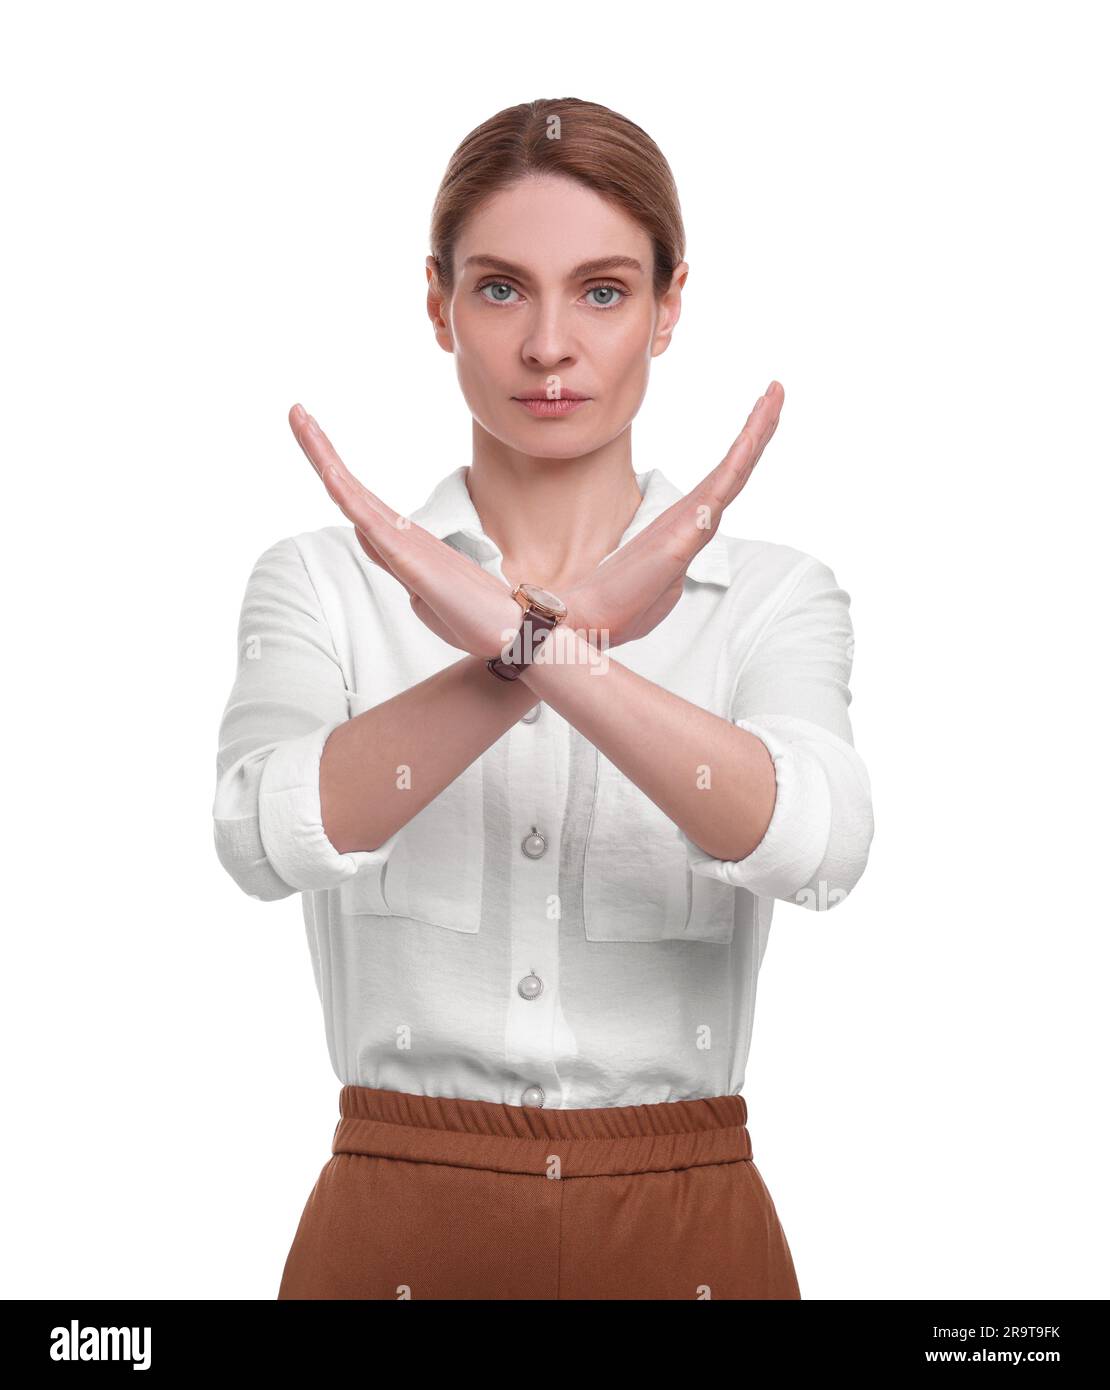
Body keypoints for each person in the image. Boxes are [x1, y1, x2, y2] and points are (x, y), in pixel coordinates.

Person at [212, 97, 875, 1300]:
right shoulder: (322, 579)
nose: (550, 346)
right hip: (396, 1225)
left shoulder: (773, 596)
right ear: (439, 305)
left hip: (688, 1230)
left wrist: (543, 649)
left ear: (671, 307)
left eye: (606, 291)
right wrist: (532, 653)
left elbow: (818, 844)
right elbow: (262, 838)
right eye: (503, 288)